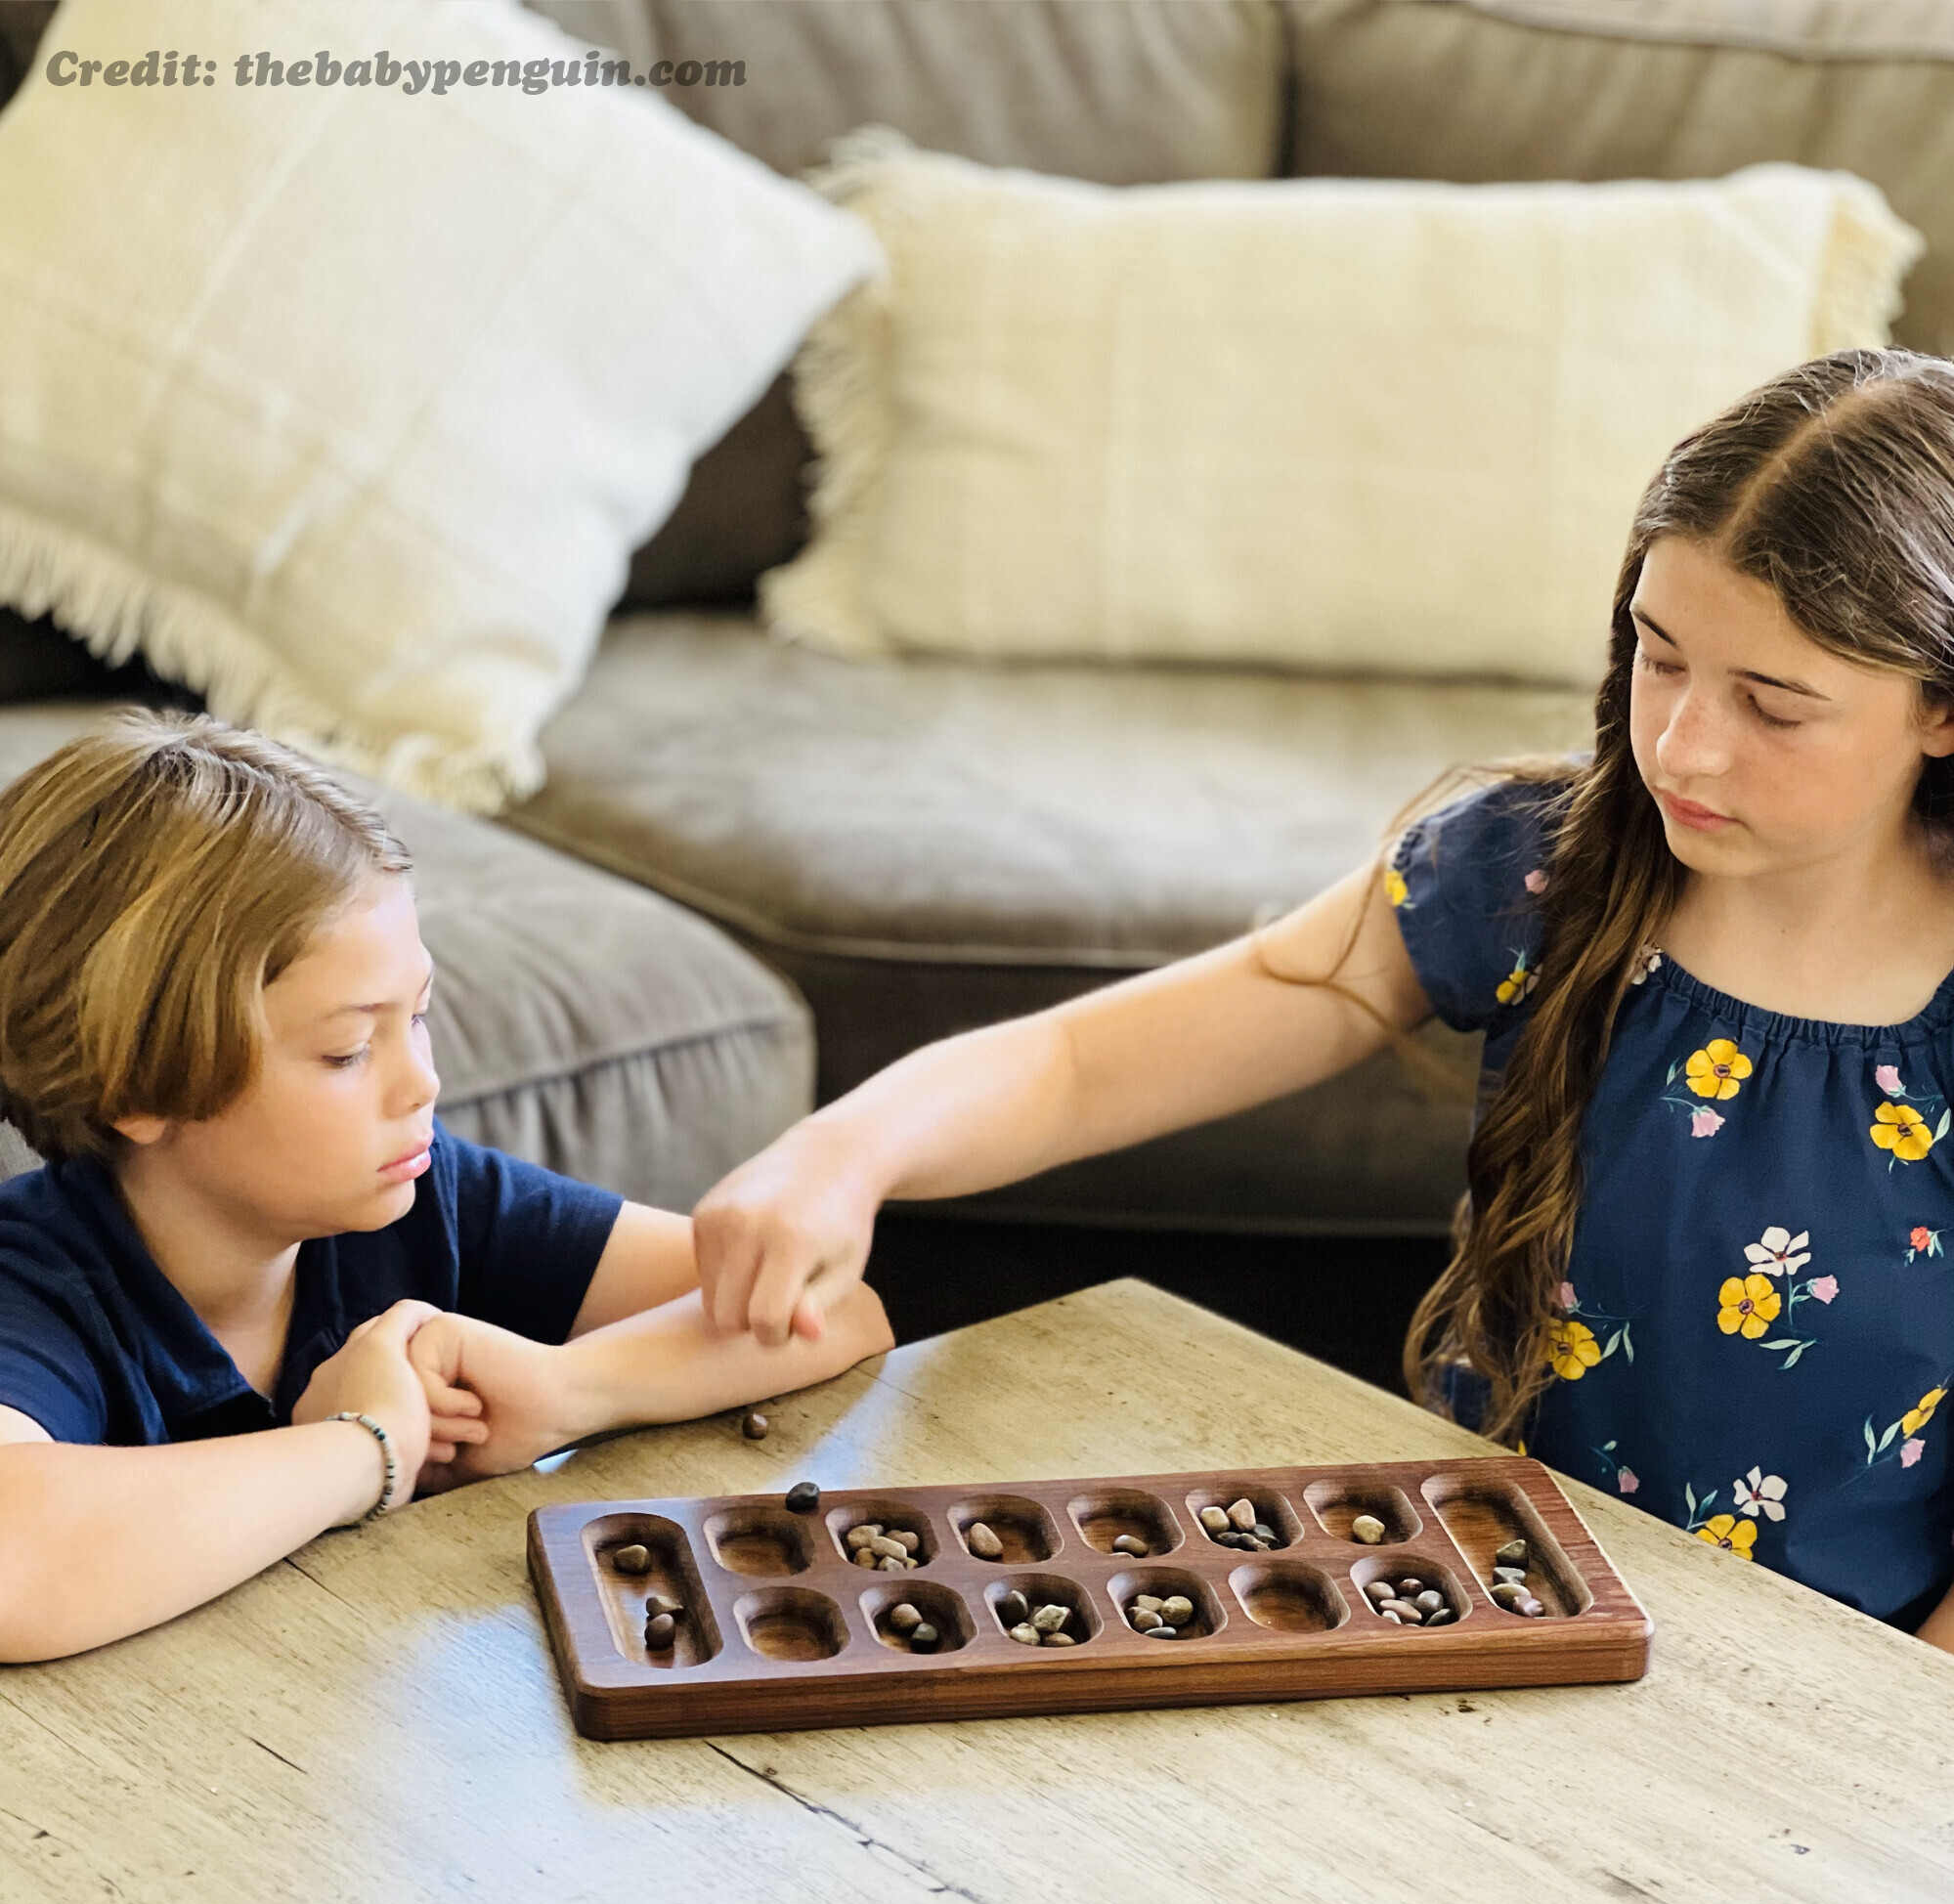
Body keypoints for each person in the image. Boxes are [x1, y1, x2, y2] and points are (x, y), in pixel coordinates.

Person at [694, 347, 1954, 1652]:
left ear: (1938, 711)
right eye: (1658, 654)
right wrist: (843, 1148)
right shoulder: (1533, 868)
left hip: (1845, 1728)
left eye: (1772, 704)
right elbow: (1085, 1063)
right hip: (1470, 1629)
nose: (1682, 743)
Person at [0, 714, 891, 1662]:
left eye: (417, 1016)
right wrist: (367, 1448)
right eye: (348, 1049)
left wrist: (563, 1388)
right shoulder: (35, 1282)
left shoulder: (430, 1199)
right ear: (138, 1084)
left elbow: (826, 1306)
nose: (420, 1080)